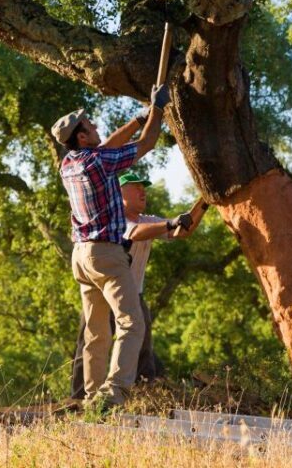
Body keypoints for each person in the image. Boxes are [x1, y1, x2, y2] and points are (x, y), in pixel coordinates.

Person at [51, 84, 175, 411]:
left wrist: (139, 117)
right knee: (132, 324)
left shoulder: (70, 164)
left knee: (96, 333)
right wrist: (158, 109)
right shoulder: (100, 162)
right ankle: (113, 393)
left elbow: (109, 144)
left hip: (81, 257)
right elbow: (147, 144)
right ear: (81, 137)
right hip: (106, 254)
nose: (96, 127)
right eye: (90, 126)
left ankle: (91, 396)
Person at [69, 172, 209, 400]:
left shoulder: (148, 220)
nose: (142, 191)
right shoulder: (113, 220)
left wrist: (204, 201)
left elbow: (183, 231)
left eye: (143, 187)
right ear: (118, 192)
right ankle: (79, 399)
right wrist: (169, 222)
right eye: (135, 188)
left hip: (134, 293)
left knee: (142, 345)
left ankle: (142, 395)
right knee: (92, 342)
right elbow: (134, 232)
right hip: (105, 292)